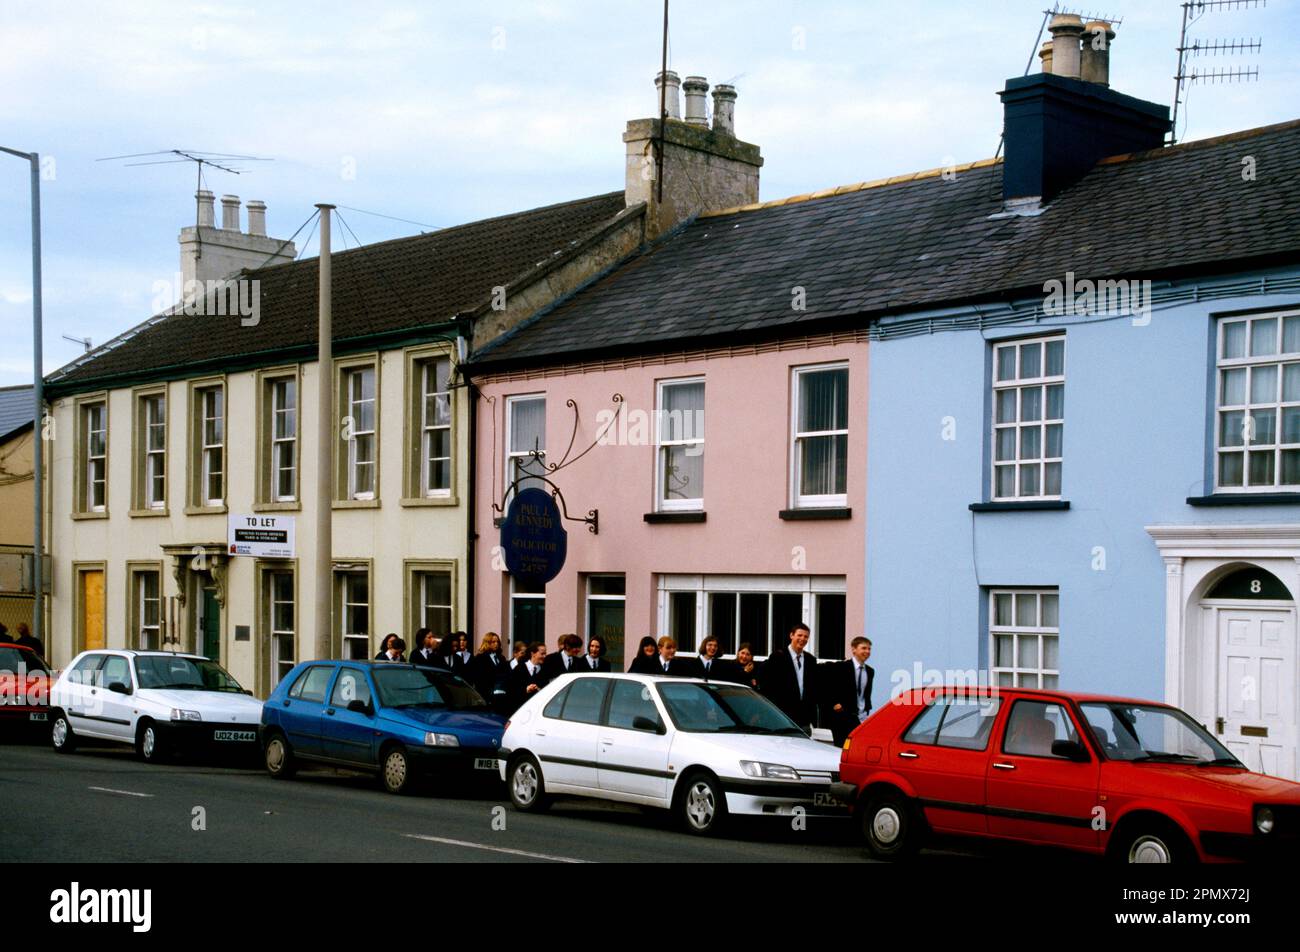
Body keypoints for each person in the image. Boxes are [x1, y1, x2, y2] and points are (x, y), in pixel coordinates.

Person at [757, 623, 819, 731]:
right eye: (799, 635)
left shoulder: (810, 660)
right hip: (782, 716)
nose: (802, 639)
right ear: (791, 635)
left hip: (803, 719)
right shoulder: (778, 656)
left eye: (805, 636)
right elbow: (768, 686)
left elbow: (812, 689)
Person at [824, 637, 875, 747]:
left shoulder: (870, 671)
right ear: (854, 649)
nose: (867, 651)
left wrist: (866, 709)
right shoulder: (841, 667)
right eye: (864, 648)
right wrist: (833, 703)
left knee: (857, 748)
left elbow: (865, 694)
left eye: (869, 649)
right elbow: (826, 686)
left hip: (861, 717)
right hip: (842, 717)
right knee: (841, 749)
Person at [507, 642, 549, 714]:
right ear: (533, 654)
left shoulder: (545, 671)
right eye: (542, 654)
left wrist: (539, 690)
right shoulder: (519, 669)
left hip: (537, 711)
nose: (544, 656)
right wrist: (526, 690)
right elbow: (511, 690)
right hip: (520, 711)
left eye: (545, 653)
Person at [467, 632, 506, 699]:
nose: (496, 644)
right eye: (493, 642)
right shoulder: (480, 658)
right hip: (486, 693)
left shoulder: (501, 658)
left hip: (501, 692)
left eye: (497, 642)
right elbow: (478, 678)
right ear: (487, 643)